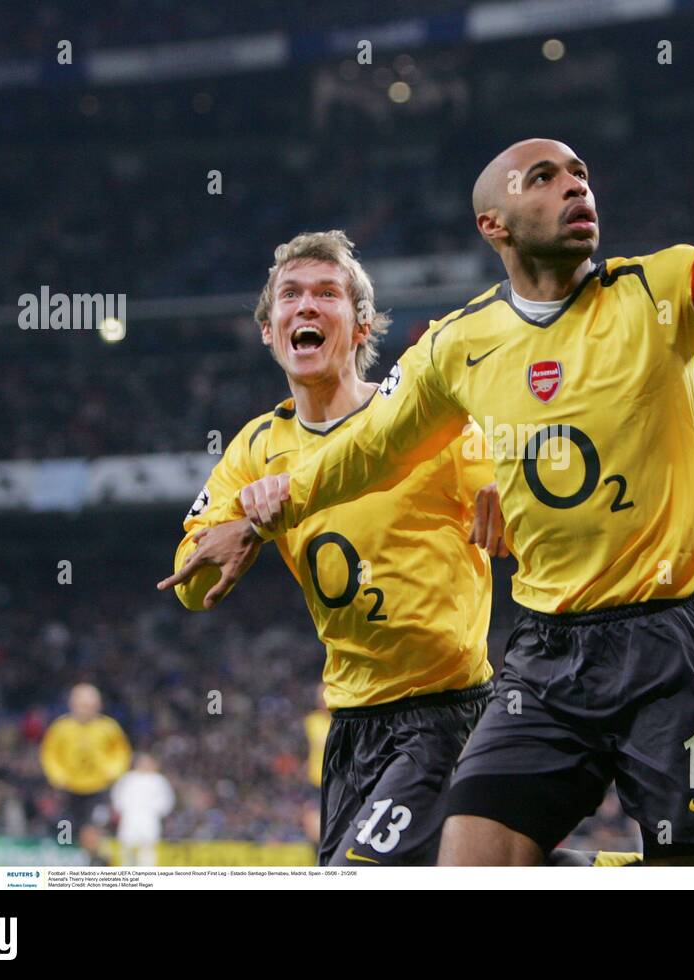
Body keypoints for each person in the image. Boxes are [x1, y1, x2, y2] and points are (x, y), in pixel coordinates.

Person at [226, 54, 694, 865]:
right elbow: (368, 449)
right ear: (493, 222)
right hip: (546, 653)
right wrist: (264, 511)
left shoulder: (658, 293)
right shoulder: (457, 346)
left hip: (672, 643)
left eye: (581, 174)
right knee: (471, 857)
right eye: (544, 177)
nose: (575, 187)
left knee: (690, 866)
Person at [157, 230, 504, 866]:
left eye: (327, 294)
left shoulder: (425, 422)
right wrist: (217, 553)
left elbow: (512, 507)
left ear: (363, 325)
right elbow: (190, 585)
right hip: (351, 730)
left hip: (446, 714)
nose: (307, 306)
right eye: (290, 295)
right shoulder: (257, 446)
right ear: (269, 329)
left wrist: (505, 497)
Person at [40, 683, 132, 851]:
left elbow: (121, 752)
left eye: (90, 705)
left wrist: (113, 770)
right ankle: (65, 856)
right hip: (69, 786)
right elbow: (50, 753)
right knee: (65, 823)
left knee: (93, 826)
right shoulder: (61, 727)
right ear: (72, 704)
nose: (86, 709)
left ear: (98, 706)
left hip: (97, 787)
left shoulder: (108, 728)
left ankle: (93, 861)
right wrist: (57, 775)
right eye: (83, 705)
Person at [111, 753, 175, 866]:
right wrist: (122, 809)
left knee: (148, 847)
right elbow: (118, 795)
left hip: (149, 818)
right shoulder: (128, 778)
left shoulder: (158, 780)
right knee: (126, 845)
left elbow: (167, 799)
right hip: (130, 817)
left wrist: (157, 811)